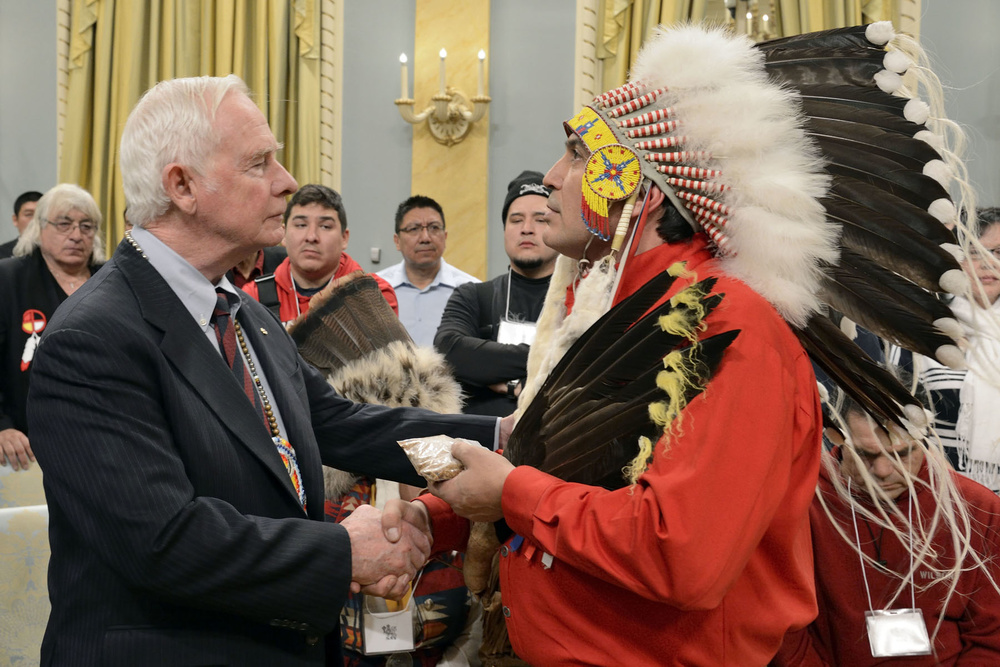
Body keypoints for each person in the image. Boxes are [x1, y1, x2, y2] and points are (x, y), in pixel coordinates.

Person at [381, 22, 979, 666]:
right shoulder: (632, 310)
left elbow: (682, 553)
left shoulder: (727, 326)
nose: (551, 178)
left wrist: (513, 494)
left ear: (644, 183)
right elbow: (585, 478)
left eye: (579, 153)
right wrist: (448, 517)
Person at [26, 75, 500, 667]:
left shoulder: (240, 309)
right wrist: (342, 554)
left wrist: (501, 438)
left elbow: (340, 424)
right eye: (260, 163)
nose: (287, 182)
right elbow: (162, 541)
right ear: (182, 185)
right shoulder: (90, 339)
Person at [773, 399, 1000, 665]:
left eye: (900, 454)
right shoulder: (802, 502)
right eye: (865, 456)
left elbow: (992, 634)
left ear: (923, 441)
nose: (882, 472)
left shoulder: (976, 508)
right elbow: (783, 625)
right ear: (837, 440)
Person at [434, 171, 558, 417]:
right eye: (516, 220)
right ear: (504, 229)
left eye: (540, 219)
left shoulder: (578, 300)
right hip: (480, 443)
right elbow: (449, 351)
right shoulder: (474, 296)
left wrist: (488, 367)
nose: (526, 229)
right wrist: (550, 360)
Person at [894, 207, 1000, 491]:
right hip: (942, 496)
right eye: (974, 252)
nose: (989, 263)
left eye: (999, 252)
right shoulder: (924, 329)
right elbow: (899, 421)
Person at [0, 183, 103, 472]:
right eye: (64, 224)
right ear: (40, 228)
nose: (76, 235)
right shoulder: (9, 278)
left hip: (104, 439)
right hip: (29, 443)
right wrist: (2, 427)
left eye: (86, 226)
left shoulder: (111, 280)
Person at [243, 184, 397, 327]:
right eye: (301, 225)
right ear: (283, 234)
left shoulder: (373, 295)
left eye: (325, 226)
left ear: (344, 238)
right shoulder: (252, 297)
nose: (311, 236)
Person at [377, 196, 478, 346]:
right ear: (397, 241)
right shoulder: (376, 289)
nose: (425, 238)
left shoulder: (471, 289)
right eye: (414, 229)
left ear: (445, 237)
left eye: (434, 228)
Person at [0, 191, 42, 259]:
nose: (35, 220)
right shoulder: (2, 254)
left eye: (40, 214)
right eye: (29, 214)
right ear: (15, 220)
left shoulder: (57, 251)